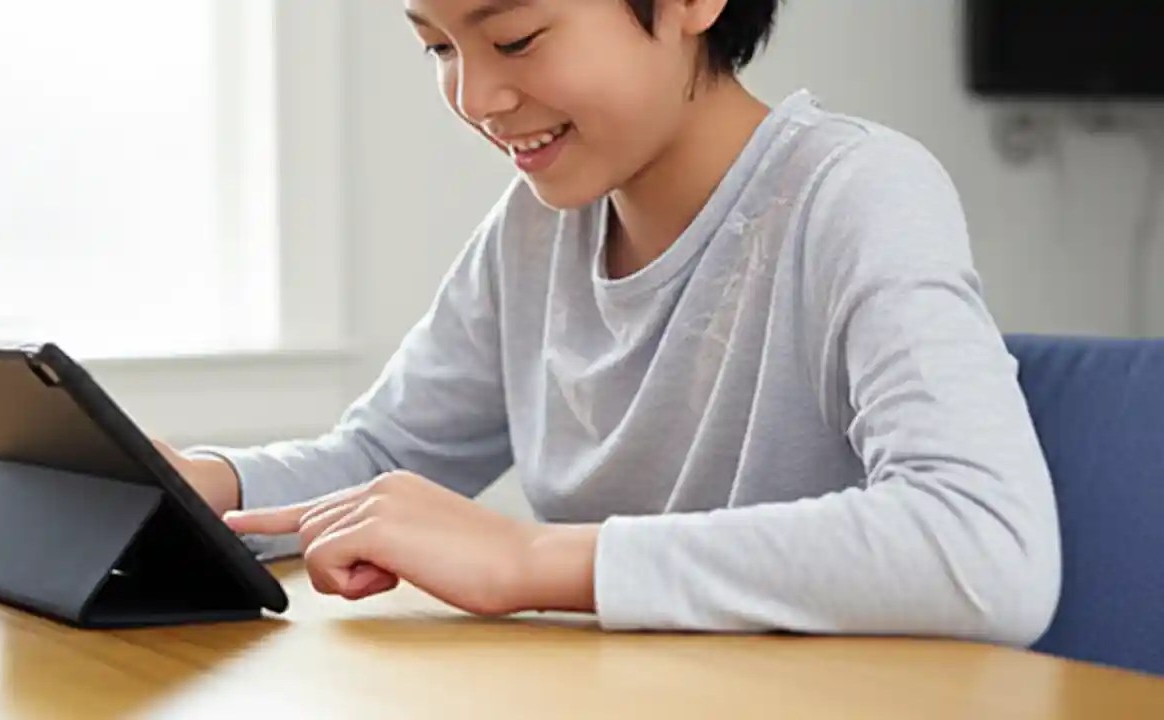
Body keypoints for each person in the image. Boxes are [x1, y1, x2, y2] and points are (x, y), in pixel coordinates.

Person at [155, 0, 1061, 645]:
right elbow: (386, 460)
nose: (475, 97)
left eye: (514, 36)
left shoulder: (857, 194)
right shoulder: (533, 228)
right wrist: (210, 489)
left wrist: (534, 561)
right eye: (437, 47)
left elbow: (985, 545)